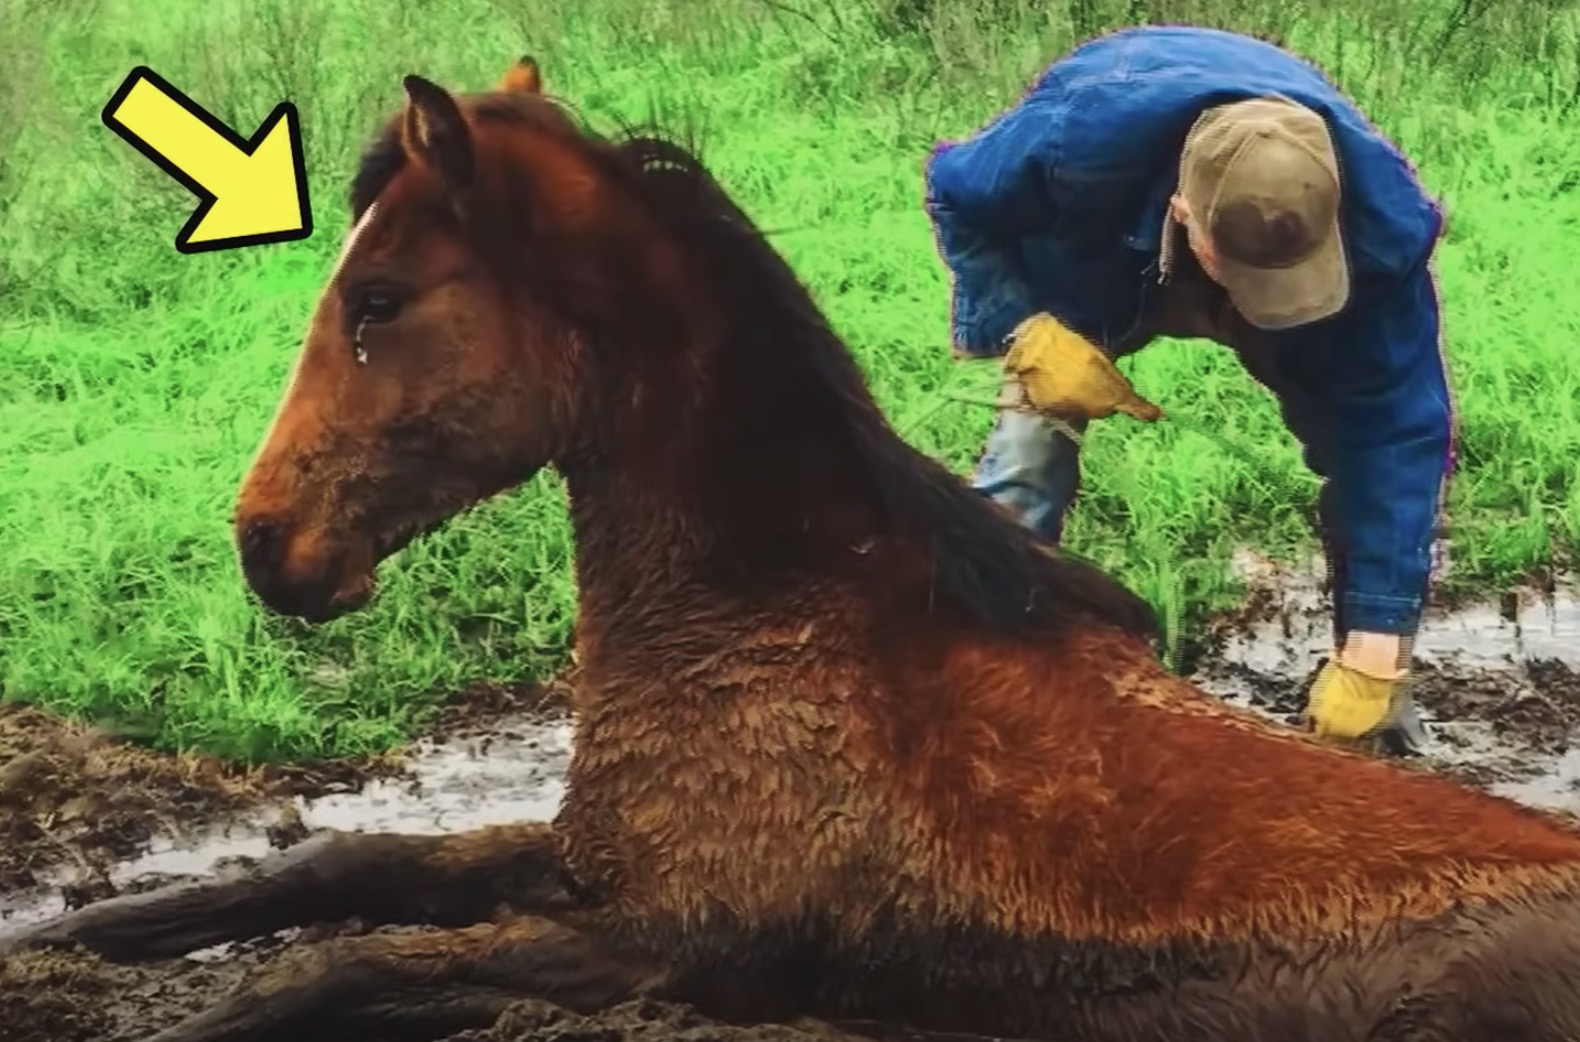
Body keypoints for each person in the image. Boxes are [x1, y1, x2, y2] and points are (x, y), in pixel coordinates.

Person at [922, 25, 1455, 756]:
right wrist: (1026, 329)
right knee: (1031, 452)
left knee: (1362, 459)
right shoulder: (1072, 140)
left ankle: (1366, 699)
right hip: (1099, 265)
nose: (1266, 300)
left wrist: (1378, 651)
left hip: (1296, 269)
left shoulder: (1378, 224)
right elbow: (957, 196)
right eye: (1249, 278)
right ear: (1185, 217)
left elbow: (1395, 434)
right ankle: (980, 644)